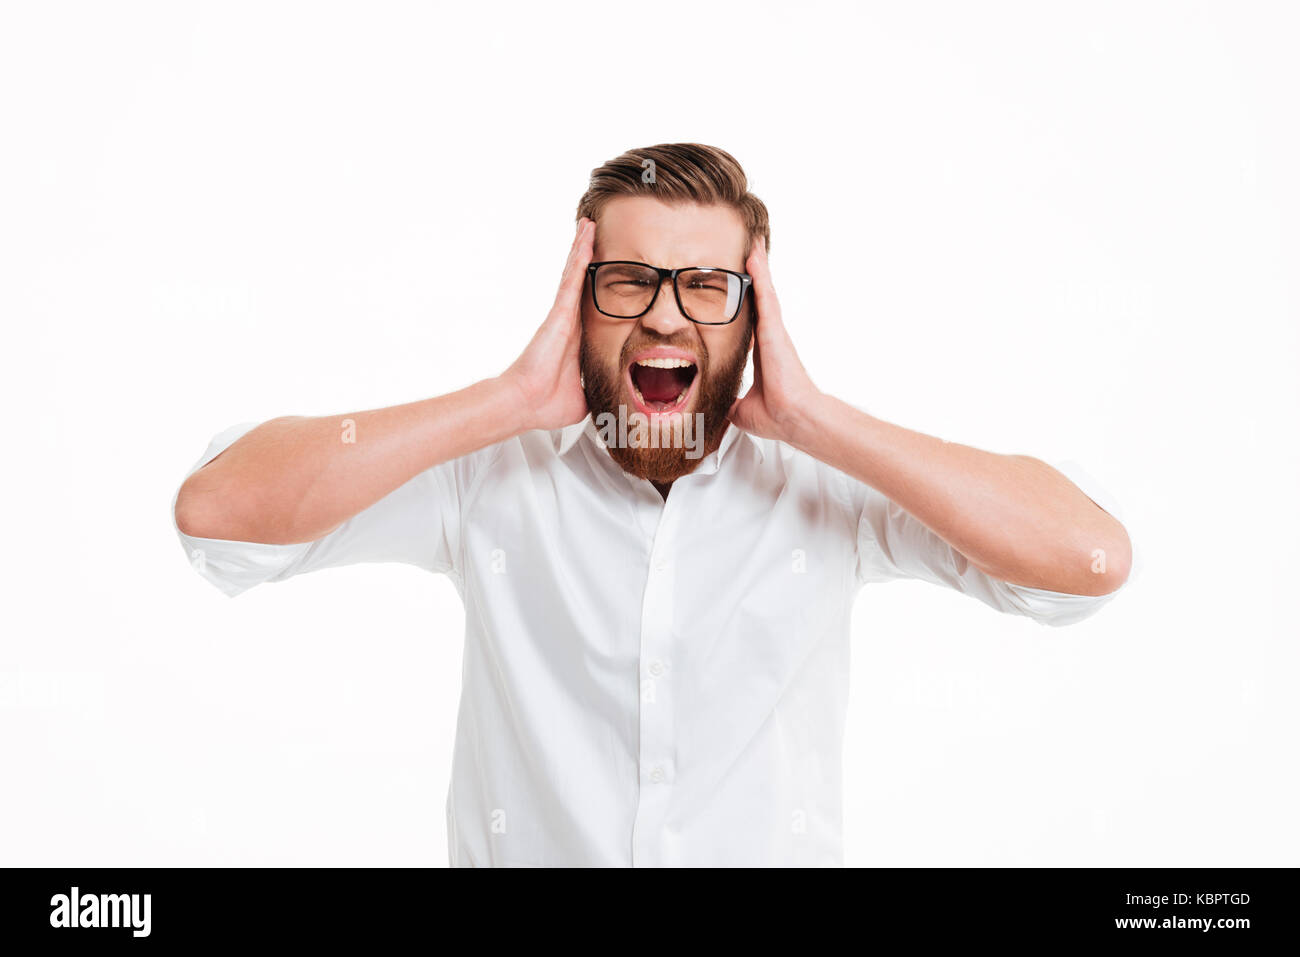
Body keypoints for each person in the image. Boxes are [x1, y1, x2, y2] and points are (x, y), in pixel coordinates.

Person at [172, 143, 1134, 867]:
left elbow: (1086, 560)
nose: (666, 315)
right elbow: (218, 510)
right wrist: (507, 400)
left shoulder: (826, 488)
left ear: (756, 316)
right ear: (578, 302)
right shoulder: (488, 474)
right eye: (627, 281)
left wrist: (818, 421)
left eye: (708, 287)